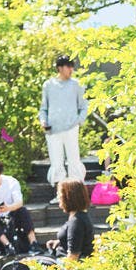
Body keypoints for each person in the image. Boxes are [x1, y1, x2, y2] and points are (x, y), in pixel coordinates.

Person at [40, 56, 89, 185]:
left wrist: (78, 121)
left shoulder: (77, 85)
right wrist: (43, 121)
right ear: (60, 68)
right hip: (52, 129)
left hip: (71, 127)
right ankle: (59, 191)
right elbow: (43, 108)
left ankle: (77, 188)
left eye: (72, 66)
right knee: (56, 162)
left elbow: (84, 106)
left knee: (74, 160)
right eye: (68, 66)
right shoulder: (48, 85)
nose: (71, 69)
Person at [0, 160, 33, 257]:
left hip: (11, 213)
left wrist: (8, 208)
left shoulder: (11, 182)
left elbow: (19, 202)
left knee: (23, 211)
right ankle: (7, 245)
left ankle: (33, 243)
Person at [48, 180, 95, 262]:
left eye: (60, 194)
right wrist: (59, 242)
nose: (58, 197)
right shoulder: (78, 216)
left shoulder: (76, 221)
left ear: (69, 197)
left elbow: (73, 256)